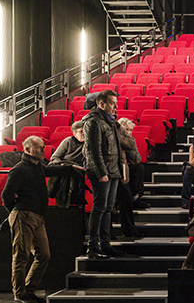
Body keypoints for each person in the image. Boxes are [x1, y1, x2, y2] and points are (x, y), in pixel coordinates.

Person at [2, 136, 60, 303]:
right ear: (28, 150)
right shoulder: (19, 169)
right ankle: (19, 294)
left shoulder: (38, 166)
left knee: (44, 254)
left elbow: (54, 170)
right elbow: (6, 196)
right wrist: (16, 211)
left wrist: (71, 168)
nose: (43, 151)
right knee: (21, 256)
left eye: (43, 147)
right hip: (24, 215)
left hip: (37, 216)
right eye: (40, 148)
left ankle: (28, 289)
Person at [83, 89, 126, 259]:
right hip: (102, 172)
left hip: (112, 171)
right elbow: (93, 151)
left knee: (108, 209)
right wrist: (102, 172)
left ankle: (105, 245)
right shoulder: (94, 122)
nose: (115, 107)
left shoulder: (109, 121)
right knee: (99, 208)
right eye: (112, 103)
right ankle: (93, 247)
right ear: (102, 104)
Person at [116, 117, 144, 238]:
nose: (129, 132)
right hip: (113, 173)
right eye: (126, 130)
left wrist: (129, 145)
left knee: (139, 167)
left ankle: (134, 196)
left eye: (130, 130)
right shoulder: (114, 139)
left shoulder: (129, 141)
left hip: (123, 173)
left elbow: (136, 159)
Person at [48, 121, 87, 207]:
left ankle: (64, 202)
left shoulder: (89, 143)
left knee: (70, 174)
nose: (84, 134)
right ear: (74, 133)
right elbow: (55, 157)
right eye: (81, 131)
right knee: (63, 172)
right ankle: (64, 202)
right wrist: (62, 165)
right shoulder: (68, 141)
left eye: (85, 131)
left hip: (80, 167)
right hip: (65, 165)